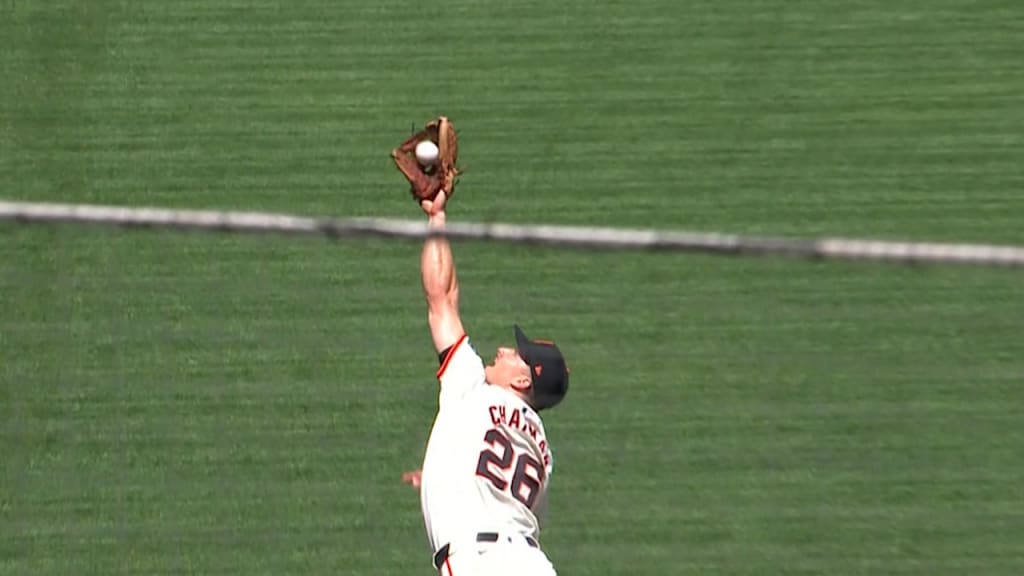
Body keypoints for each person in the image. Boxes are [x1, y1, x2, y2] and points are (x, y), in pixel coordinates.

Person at [401, 190, 570, 576]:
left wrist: (437, 217)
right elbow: (502, 491)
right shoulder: (542, 451)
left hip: (480, 563)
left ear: (523, 379)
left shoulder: (472, 385)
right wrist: (440, 476)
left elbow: (441, 298)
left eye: (516, 354)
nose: (504, 350)